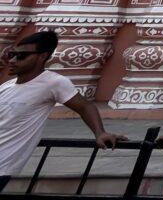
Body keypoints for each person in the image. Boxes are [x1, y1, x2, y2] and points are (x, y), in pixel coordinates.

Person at [0, 30, 125, 192]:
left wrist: (100, 132)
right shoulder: (7, 86)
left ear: (42, 56)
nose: (13, 60)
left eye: (22, 56)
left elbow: (85, 106)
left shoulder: (53, 83)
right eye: (11, 55)